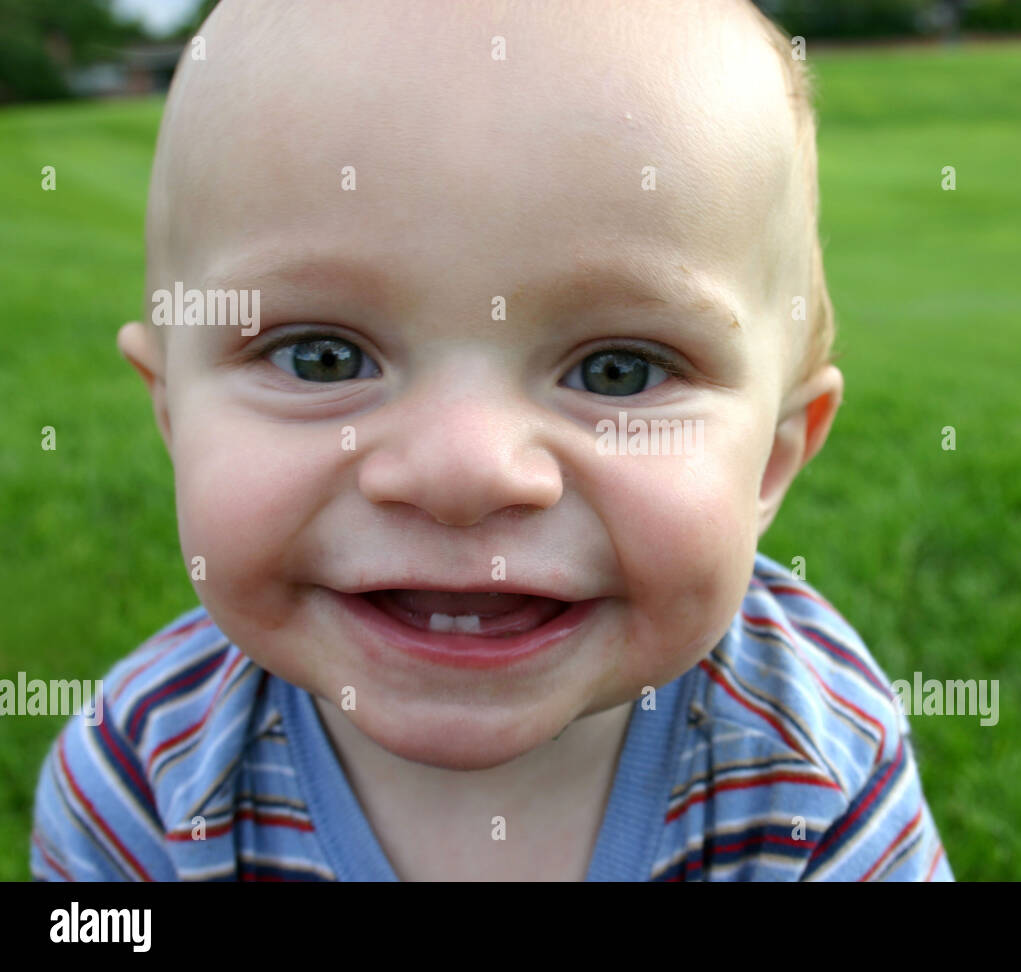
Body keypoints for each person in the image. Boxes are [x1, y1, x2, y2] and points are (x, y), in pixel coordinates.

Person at [31, 0, 952, 881]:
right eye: (320, 357)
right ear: (171, 415)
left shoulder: (814, 762)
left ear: (775, 460)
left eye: (617, 371)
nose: (462, 470)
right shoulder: (140, 777)